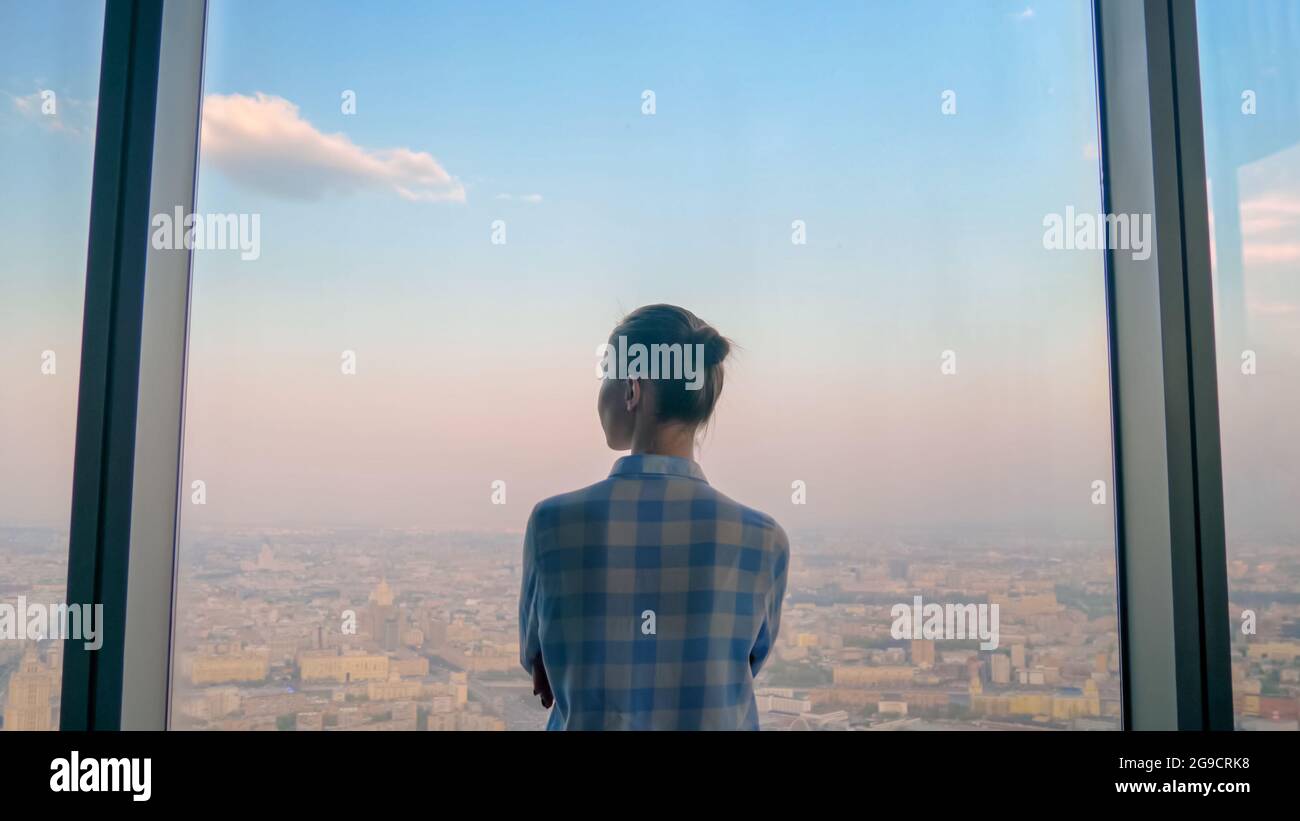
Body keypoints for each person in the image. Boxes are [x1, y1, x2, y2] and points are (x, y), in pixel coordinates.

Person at [518, 304, 789, 730]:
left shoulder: (552, 524)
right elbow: (735, 668)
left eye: (606, 375)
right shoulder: (763, 540)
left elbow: (544, 668)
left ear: (632, 390)